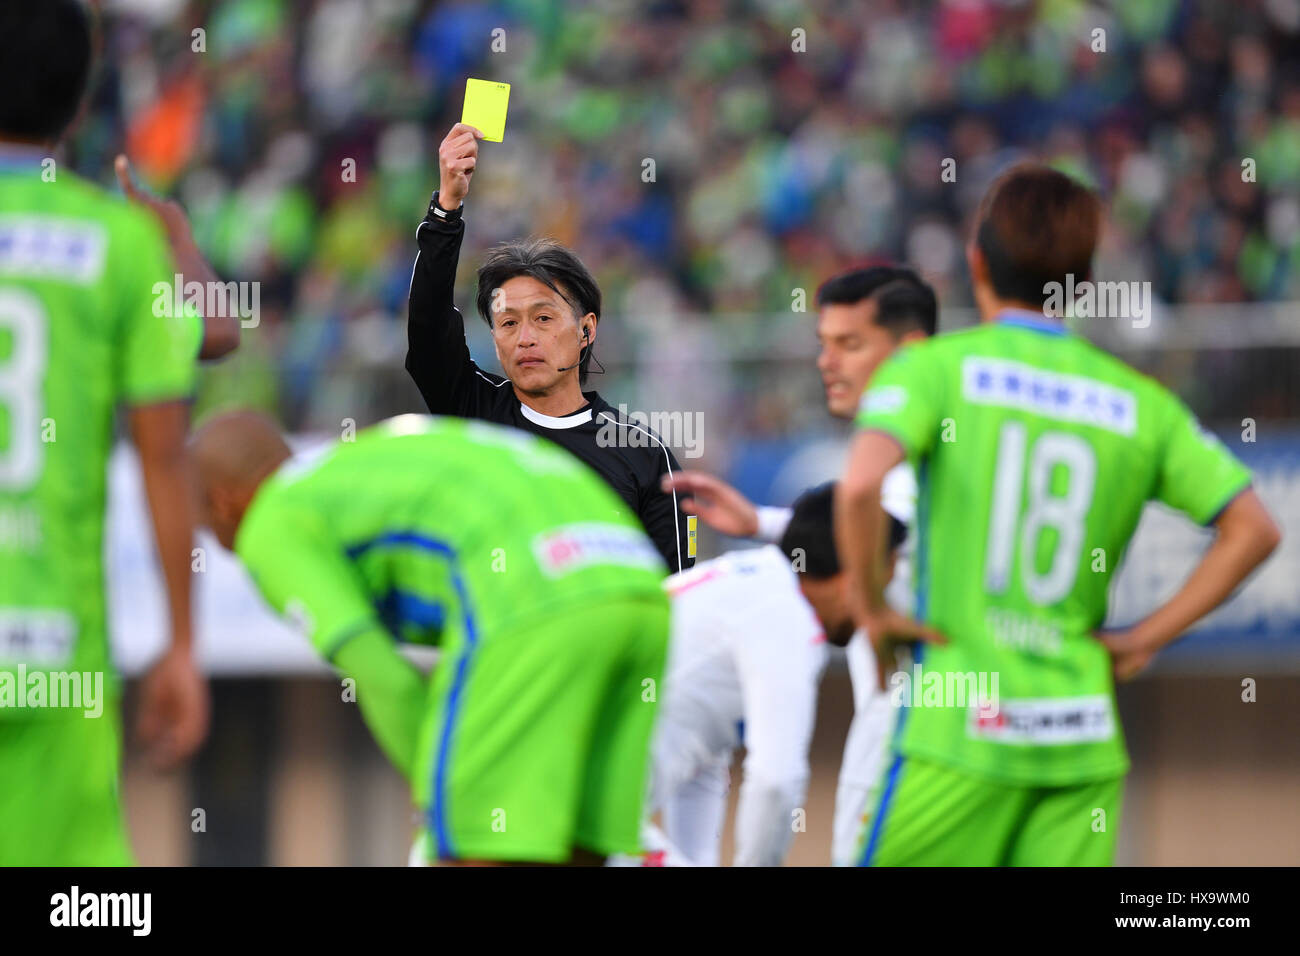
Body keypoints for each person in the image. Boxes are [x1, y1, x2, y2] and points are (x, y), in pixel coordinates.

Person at [838, 163, 1282, 866]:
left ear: (977, 260)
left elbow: (859, 487)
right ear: (1082, 280)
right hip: (1079, 744)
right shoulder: (1141, 403)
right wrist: (1144, 638)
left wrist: (872, 609)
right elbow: (1255, 529)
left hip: (958, 733)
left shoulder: (934, 369)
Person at [192, 410, 671, 865]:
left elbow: (386, 680)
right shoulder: (344, 472)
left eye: (202, 520)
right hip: (636, 584)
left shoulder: (272, 520)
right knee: (577, 851)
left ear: (223, 502)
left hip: (533, 593)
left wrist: (442, 798)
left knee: (470, 849)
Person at [0, 1, 237, 865]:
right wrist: (181, 644)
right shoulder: (113, 242)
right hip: (53, 649)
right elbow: (204, 357)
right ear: (79, 97)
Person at [662, 266, 937, 866]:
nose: (826, 362)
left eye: (850, 344)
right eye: (823, 343)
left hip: (915, 738)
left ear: (908, 350)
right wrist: (767, 523)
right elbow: (888, 534)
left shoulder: (910, 461)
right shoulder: (915, 466)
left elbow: (891, 529)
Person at [406, 123, 694, 573]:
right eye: (507, 322)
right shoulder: (473, 413)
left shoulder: (644, 455)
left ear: (586, 330)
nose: (525, 338)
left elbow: (676, 597)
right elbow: (426, 329)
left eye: (543, 319)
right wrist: (447, 208)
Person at [633, 483, 906, 867]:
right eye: (883, 584)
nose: (879, 612)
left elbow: (701, 759)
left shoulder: (752, 582)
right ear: (853, 575)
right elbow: (776, 781)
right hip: (573, 804)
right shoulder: (786, 619)